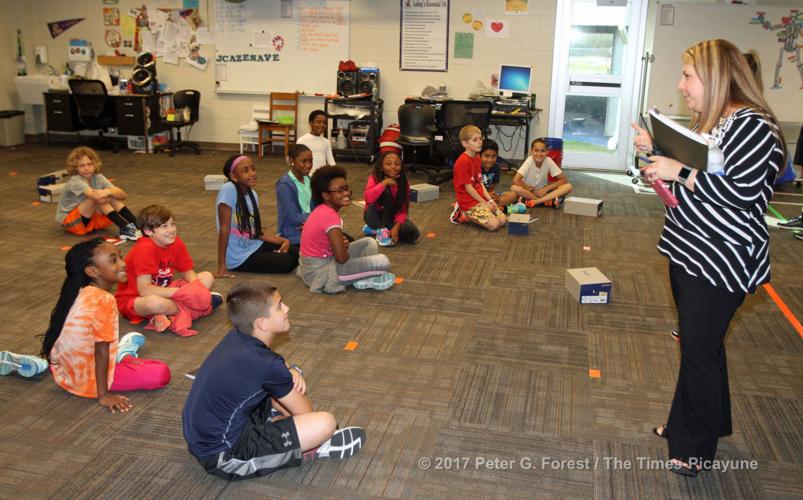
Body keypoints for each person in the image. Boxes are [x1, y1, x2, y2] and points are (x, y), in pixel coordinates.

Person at [632, 39, 786, 477]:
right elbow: (694, 186)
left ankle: (694, 447)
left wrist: (677, 170)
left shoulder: (754, 127)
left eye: (687, 76)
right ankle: (693, 425)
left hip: (720, 260)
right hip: (692, 250)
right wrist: (654, 156)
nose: (681, 85)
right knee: (702, 349)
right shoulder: (716, 123)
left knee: (699, 353)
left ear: (717, 77)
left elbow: (742, 195)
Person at [182, 282, 366, 480]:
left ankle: (281, 429)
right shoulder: (266, 364)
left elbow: (267, 365)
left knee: (276, 393)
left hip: (205, 436)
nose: (287, 308)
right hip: (224, 456)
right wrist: (288, 376)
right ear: (262, 323)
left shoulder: (237, 336)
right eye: (279, 306)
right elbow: (305, 412)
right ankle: (312, 448)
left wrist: (286, 371)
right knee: (325, 423)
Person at [40, 238, 171, 413]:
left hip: (64, 371)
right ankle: (123, 354)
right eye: (113, 260)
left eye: (120, 257)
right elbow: (101, 350)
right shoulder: (104, 300)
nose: (123, 264)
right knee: (160, 372)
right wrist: (103, 395)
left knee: (123, 355)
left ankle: (120, 353)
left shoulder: (78, 289)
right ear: (92, 271)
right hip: (86, 377)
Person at [115, 205, 222, 335]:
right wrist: (183, 293)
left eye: (172, 224)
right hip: (135, 299)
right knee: (154, 303)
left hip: (166, 291)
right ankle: (198, 307)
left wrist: (195, 289)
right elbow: (144, 290)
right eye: (164, 226)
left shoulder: (175, 242)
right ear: (148, 231)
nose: (171, 230)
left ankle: (175, 313)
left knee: (207, 277)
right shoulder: (144, 249)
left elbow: (188, 272)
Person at [297, 166, 394, 294]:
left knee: (369, 243)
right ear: (325, 195)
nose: (346, 193)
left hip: (318, 263)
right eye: (340, 190)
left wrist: (341, 246)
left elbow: (329, 245)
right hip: (322, 272)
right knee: (383, 262)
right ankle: (362, 277)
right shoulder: (330, 216)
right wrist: (341, 248)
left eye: (346, 188)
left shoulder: (323, 210)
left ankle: (362, 277)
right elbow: (342, 258)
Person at [215, 154, 298, 278]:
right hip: (239, 257)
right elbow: (224, 228)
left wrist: (283, 241)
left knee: (294, 251)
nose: (252, 173)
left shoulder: (253, 195)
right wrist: (222, 266)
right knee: (287, 263)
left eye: (253, 169)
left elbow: (256, 231)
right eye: (245, 171)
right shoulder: (228, 189)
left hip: (254, 244)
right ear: (234, 176)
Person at [55, 146, 140, 240]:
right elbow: (96, 197)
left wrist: (108, 191)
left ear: (95, 164)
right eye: (82, 166)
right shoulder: (76, 181)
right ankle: (125, 228)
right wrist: (108, 193)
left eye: (89, 164)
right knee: (99, 198)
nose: (86, 168)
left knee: (109, 196)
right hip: (71, 223)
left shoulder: (98, 177)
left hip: (89, 218)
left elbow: (122, 195)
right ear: (76, 168)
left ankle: (137, 224)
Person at [449, 125, 507, 231]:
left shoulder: (477, 157)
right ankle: (462, 212)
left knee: (503, 220)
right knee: (494, 225)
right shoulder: (462, 162)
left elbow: (479, 182)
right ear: (465, 143)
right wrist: (485, 204)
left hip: (480, 199)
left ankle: (473, 213)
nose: (479, 142)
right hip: (468, 202)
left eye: (480, 139)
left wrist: (490, 201)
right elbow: (469, 188)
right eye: (475, 140)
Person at [362, 151, 420, 245]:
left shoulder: (403, 183)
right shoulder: (374, 178)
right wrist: (384, 183)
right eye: (388, 164)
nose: (393, 167)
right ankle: (380, 229)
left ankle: (375, 230)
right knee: (385, 192)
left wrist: (396, 227)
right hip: (374, 215)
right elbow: (368, 198)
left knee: (413, 234)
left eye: (397, 164)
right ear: (381, 167)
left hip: (391, 217)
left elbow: (403, 210)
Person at [511, 138, 573, 208]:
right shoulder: (529, 161)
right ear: (531, 151)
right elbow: (516, 180)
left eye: (542, 151)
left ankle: (537, 202)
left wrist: (546, 189)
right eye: (536, 150)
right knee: (514, 188)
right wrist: (533, 190)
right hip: (529, 191)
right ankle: (547, 201)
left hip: (543, 191)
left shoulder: (548, 160)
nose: (539, 154)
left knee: (568, 186)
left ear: (547, 152)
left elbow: (564, 179)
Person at [276, 144, 313, 250]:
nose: (308, 165)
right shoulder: (284, 185)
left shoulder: (309, 180)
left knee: (346, 240)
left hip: (310, 226)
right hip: (294, 234)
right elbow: (294, 218)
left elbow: (316, 206)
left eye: (311, 161)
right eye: (304, 161)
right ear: (292, 161)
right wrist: (317, 218)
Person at [479, 139, 520, 212]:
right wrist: (487, 196)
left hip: (488, 198)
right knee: (474, 202)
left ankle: (494, 208)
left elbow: (491, 188)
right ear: (479, 155)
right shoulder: (475, 167)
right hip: (477, 197)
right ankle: (503, 209)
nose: (490, 160)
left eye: (493, 156)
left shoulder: (496, 168)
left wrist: (493, 196)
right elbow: (471, 190)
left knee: (514, 194)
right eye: (487, 156)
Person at [296, 110, 335, 174]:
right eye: (318, 122)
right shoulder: (302, 141)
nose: (322, 125)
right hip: (306, 177)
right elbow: (298, 163)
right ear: (311, 123)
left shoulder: (326, 142)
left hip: (322, 176)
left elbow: (331, 162)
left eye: (324, 123)